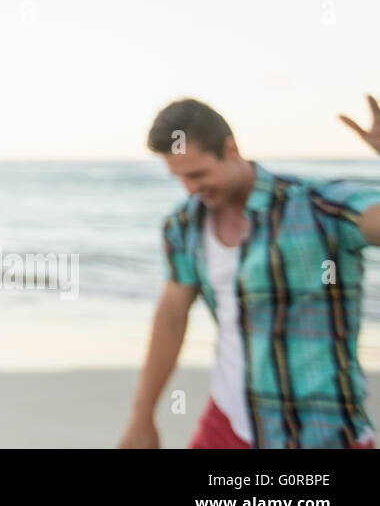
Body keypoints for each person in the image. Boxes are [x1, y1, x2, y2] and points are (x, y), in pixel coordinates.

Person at [119, 96, 380, 449]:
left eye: (197, 174)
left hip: (319, 433)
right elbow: (172, 315)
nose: (191, 189)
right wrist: (142, 414)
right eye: (179, 177)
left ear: (231, 149)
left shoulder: (318, 206)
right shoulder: (184, 225)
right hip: (228, 424)